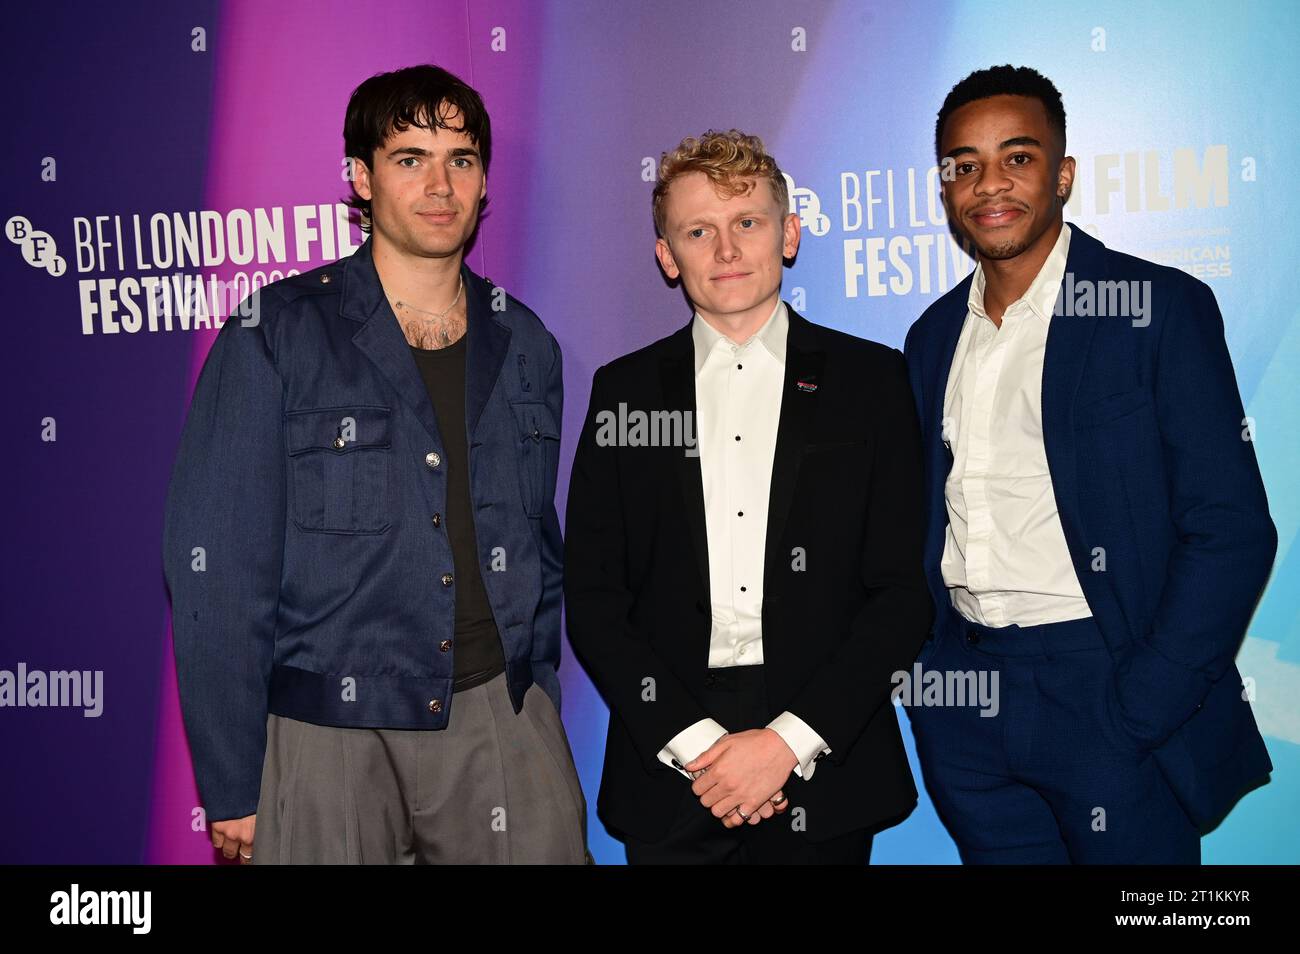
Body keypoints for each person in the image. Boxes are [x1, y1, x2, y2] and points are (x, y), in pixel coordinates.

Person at [162, 64, 588, 864]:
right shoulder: (276, 333)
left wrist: (535, 695)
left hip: (499, 715)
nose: (440, 186)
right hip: (329, 730)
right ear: (360, 178)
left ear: (485, 182)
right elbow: (217, 570)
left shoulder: (526, 341)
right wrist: (234, 778)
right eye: (409, 159)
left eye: (461, 159)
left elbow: (539, 544)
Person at [903, 65, 1275, 863]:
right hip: (966, 700)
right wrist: (930, 683)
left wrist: (1146, 701)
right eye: (964, 165)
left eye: (1018, 157)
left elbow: (1231, 528)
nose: (989, 184)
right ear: (945, 186)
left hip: (1105, 687)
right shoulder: (931, 337)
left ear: (1063, 175)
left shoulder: (1154, 306)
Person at [564, 129, 932, 864]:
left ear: (788, 235)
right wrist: (700, 748)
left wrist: (787, 743)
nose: (726, 249)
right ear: (667, 255)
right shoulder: (624, 391)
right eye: (699, 231)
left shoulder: (872, 382)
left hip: (825, 764)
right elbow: (594, 597)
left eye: (748, 222)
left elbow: (901, 593)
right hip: (668, 763)